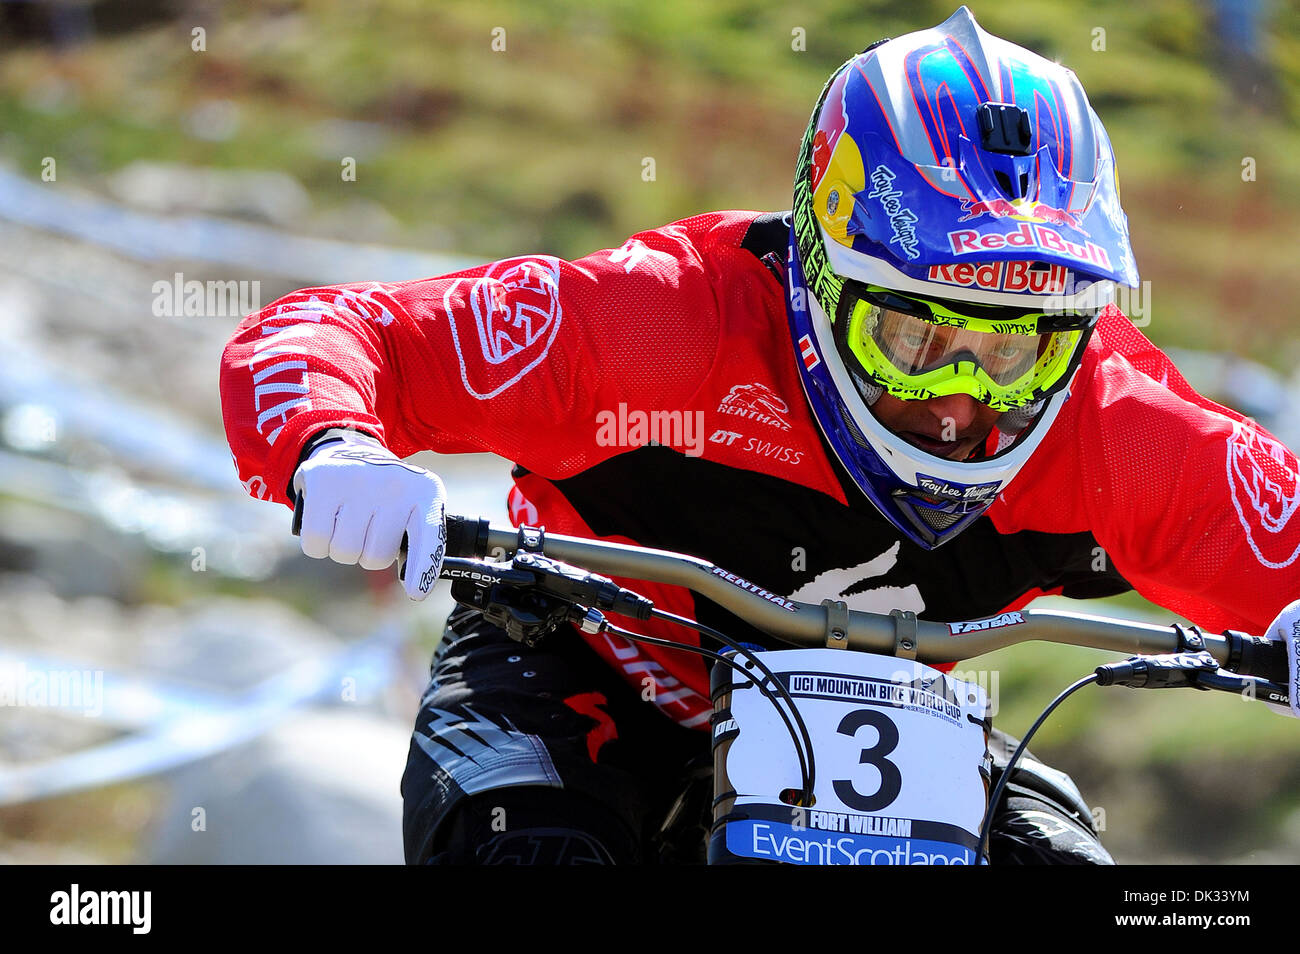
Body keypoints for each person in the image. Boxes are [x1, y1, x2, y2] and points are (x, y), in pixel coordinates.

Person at [220, 7, 1300, 864]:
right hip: (587, 674)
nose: (963, 401)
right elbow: (336, 331)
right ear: (822, 279)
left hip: (908, 723)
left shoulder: (1122, 428)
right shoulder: (656, 323)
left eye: (1016, 351)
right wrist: (333, 448)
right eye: (914, 337)